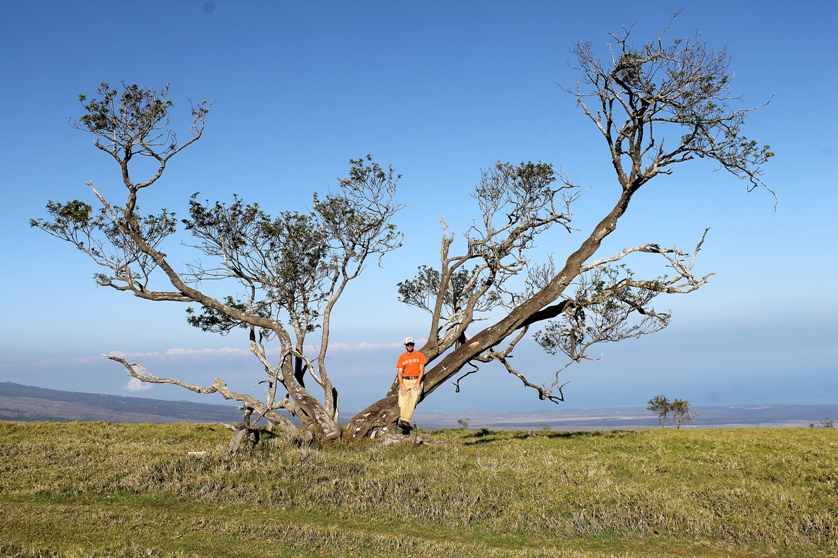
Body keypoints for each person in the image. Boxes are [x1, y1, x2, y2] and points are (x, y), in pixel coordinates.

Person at [396, 337, 427, 430]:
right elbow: (400, 372)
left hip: (416, 380)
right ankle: (403, 422)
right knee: (402, 403)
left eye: (411, 344)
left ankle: (405, 420)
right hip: (405, 381)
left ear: (414, 345)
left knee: (414, 398)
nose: (410, 346)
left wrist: (418, 382)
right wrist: (402, 385)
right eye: (408, 344)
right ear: (405, 345)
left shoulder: (419, 355)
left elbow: (422, 370)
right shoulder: (402, 357)